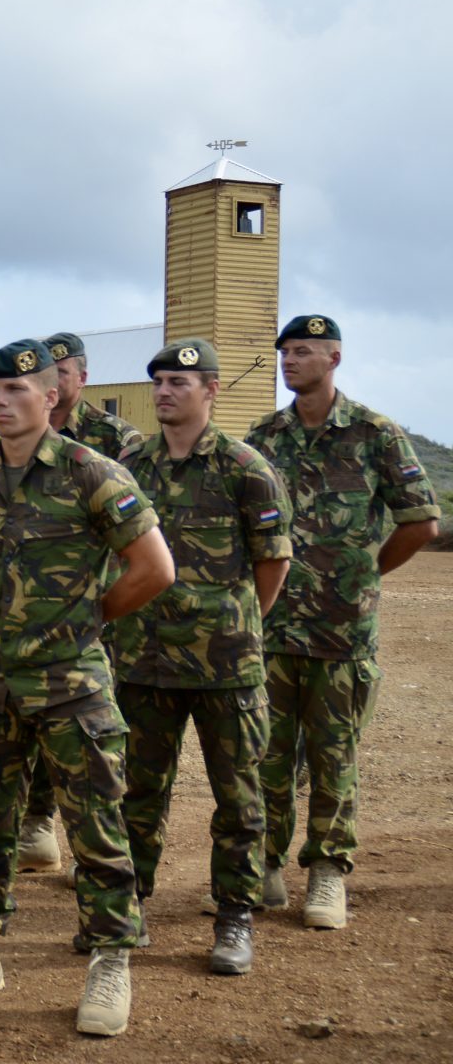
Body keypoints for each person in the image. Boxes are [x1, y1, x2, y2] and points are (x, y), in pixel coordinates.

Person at [0, 339, 173, 1039]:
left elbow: (154, 567)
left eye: (17, 390)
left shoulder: (92, 473)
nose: (0, 401)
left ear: (50, 397)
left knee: (96, 828)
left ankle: (110, 959)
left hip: (72, 687)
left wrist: (87, 620)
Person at [244, 314, 440, 929]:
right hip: (273, 628)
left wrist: (366, 573)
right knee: (266, 755)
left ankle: (327, 872)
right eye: (285, 351)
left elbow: (421, 521)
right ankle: (264, 867)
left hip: (341, 632)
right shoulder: (264, 437)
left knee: (334, 757)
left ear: (334, 359)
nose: (290, 360)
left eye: (303, 351)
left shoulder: (375, 434)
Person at [110, 339, 290, 975]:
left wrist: (234, 625)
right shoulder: (130, 465)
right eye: (158, 382)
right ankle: (127, 907)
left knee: (238, 798)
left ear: (210, 390)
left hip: (226, 667)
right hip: (144, 660)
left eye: (179, 383)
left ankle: (234, 916)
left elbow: (273, 562)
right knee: (135, 792)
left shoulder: (246, 468)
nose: (164, 392)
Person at [11, 331, 149, 870]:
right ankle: (37, 821)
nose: (54, 379)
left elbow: (139, 529)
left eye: (63, 371)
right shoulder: (16, 438)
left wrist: (101, 607)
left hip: (100, 602)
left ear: (80, 379)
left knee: (94, 728)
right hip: (38, 609)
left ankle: (98, 850)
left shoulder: (116, 439)